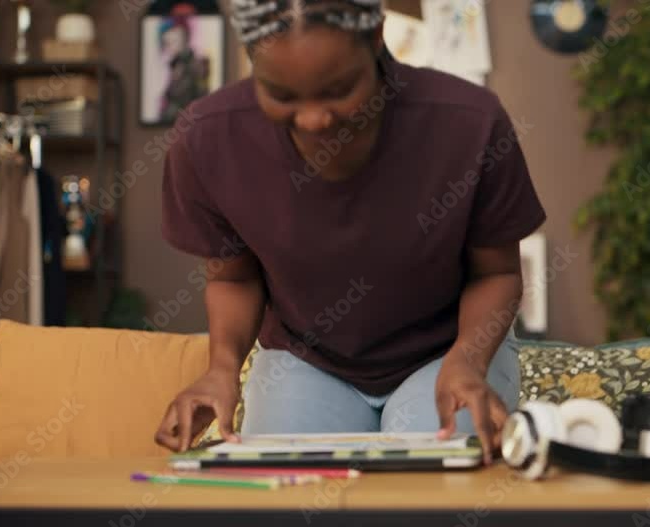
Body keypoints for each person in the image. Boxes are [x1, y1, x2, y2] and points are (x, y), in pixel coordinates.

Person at [156, 0, 546, 464]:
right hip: (307, 359)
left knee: (432, 483)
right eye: (281, 95)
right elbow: (234, 278)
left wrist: (468, 360)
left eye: (339, 89)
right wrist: (221, 369)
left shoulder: (469, 122)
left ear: (376, 36)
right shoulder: (207, 137)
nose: (314, 119)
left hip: (447, 350)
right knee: (288, 490)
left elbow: (496, 274)